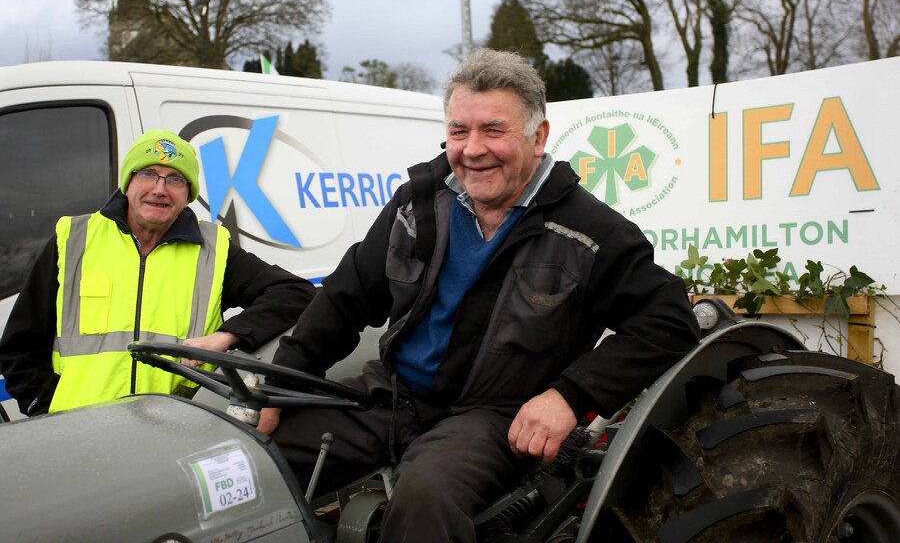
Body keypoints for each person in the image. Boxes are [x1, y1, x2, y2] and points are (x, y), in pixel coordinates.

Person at [259, 49, 701, 541]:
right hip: (392, 397)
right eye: (458, 131)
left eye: (493, 130)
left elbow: (669, 324)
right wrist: (283, 383)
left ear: (539, 137)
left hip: (495, 419)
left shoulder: (590, 231)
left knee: (425, 501)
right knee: (253, 459)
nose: (472, 149)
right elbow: (347, 297)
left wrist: (568, 396)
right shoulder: (418, 204)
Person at [0, 129, 315, 415]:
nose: (159, 189)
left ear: (188, 194)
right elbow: (20, 346)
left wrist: (224, 337)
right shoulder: (74, 238)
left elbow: (295, 292)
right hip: (80, 432)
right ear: (129, 183)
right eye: (148, 173)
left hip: (173, 434)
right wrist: (45, 408)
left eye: (175, 179)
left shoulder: (212, 249)